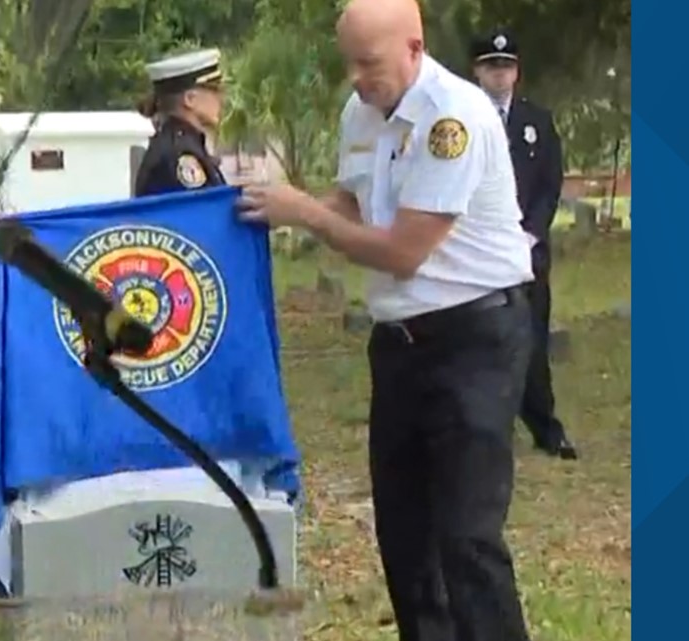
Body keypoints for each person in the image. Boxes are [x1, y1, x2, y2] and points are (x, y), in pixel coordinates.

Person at [238, 0, 535, 639]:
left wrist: (306, 215)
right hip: (400, 344)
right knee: (405, 536)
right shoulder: (362, 113)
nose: (356, 78)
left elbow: (403, 251)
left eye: (369, 63)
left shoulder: (451, 117)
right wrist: (283, 211)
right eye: (348, 62)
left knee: (465, 537)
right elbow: (351, 199)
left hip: (473, 339)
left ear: (414, 48)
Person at [472, 29, 577, 460]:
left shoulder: (537, 120)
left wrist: (529, 233)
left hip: (528, 250)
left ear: (517, 71)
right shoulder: (464, 120)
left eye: (507, 67)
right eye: (492, 66)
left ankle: (545, 428)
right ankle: (485, 429)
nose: (500, 75)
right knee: (478, 342)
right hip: (477, 252)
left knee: (532, 339)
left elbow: (549, 183)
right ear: (477, 71)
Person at [133, 48, 227, 196]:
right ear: (190, 99)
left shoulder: (179, 144)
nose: (222, 99)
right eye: (215, 91)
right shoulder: (180, 154)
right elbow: (202, 213)